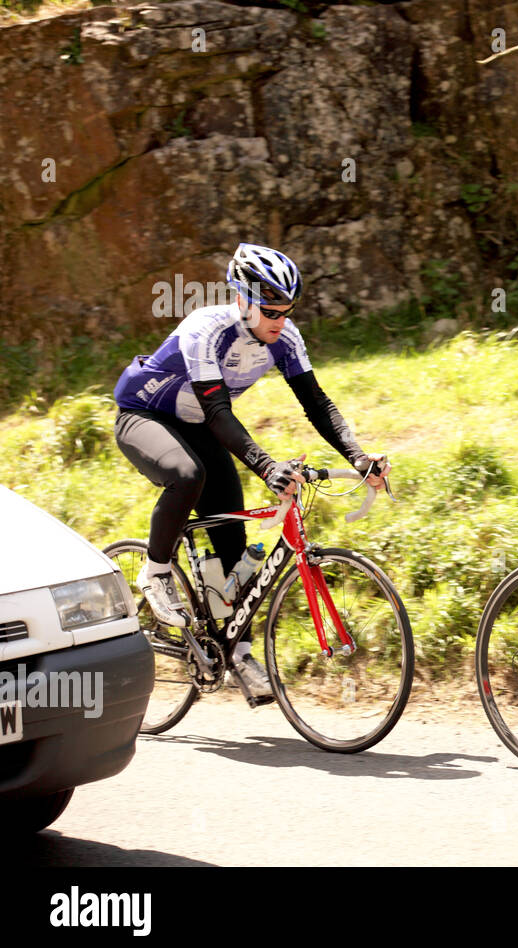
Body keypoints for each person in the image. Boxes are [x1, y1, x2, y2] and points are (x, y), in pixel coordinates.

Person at [113, 243, 390, 698]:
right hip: (145, 415)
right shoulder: (206, 329)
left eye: (288, 310)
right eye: (271, 310)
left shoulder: (286, 338)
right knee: (187, 475)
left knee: (233, 544)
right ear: (242, 300)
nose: (280, 321)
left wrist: (358, 457)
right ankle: (156, 570)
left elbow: (317, 405)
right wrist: (266, 466)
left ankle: (235, 650)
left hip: (199, 423)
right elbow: (219, 412)